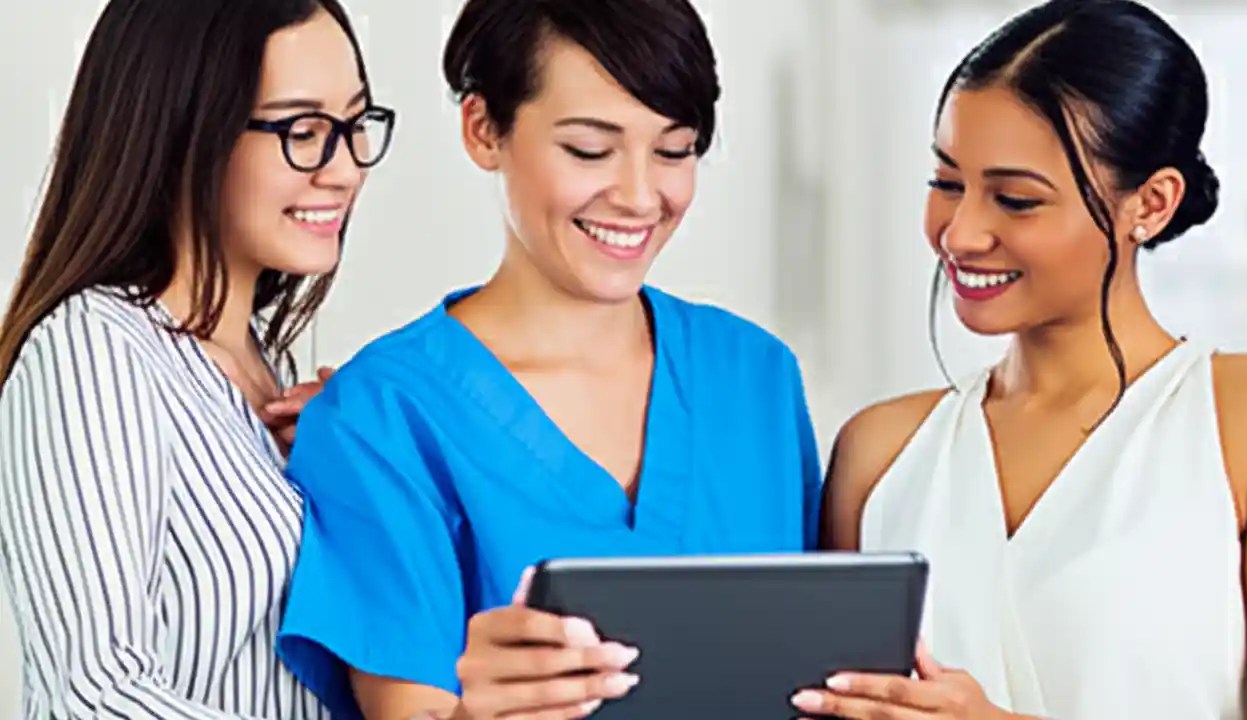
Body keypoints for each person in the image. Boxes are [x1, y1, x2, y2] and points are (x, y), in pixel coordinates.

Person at [274, 1, 822, 718]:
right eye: (589, 150)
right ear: (482, 129)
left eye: (674, 149)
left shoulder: (755, 378)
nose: (637, 195)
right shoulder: (380, 418)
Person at [806, 1, 1247, 718]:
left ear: (1150, 203)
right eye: (946, 184)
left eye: (1016, 200)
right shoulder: (878, 456)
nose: (961, 234)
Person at [0, 0, 395, 717]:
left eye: (354, 125)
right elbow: (94, 695)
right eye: (304, 132)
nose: (343, 171)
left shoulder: (268, 369)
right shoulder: (93, 349)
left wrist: (362, 471)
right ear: (185, 132)